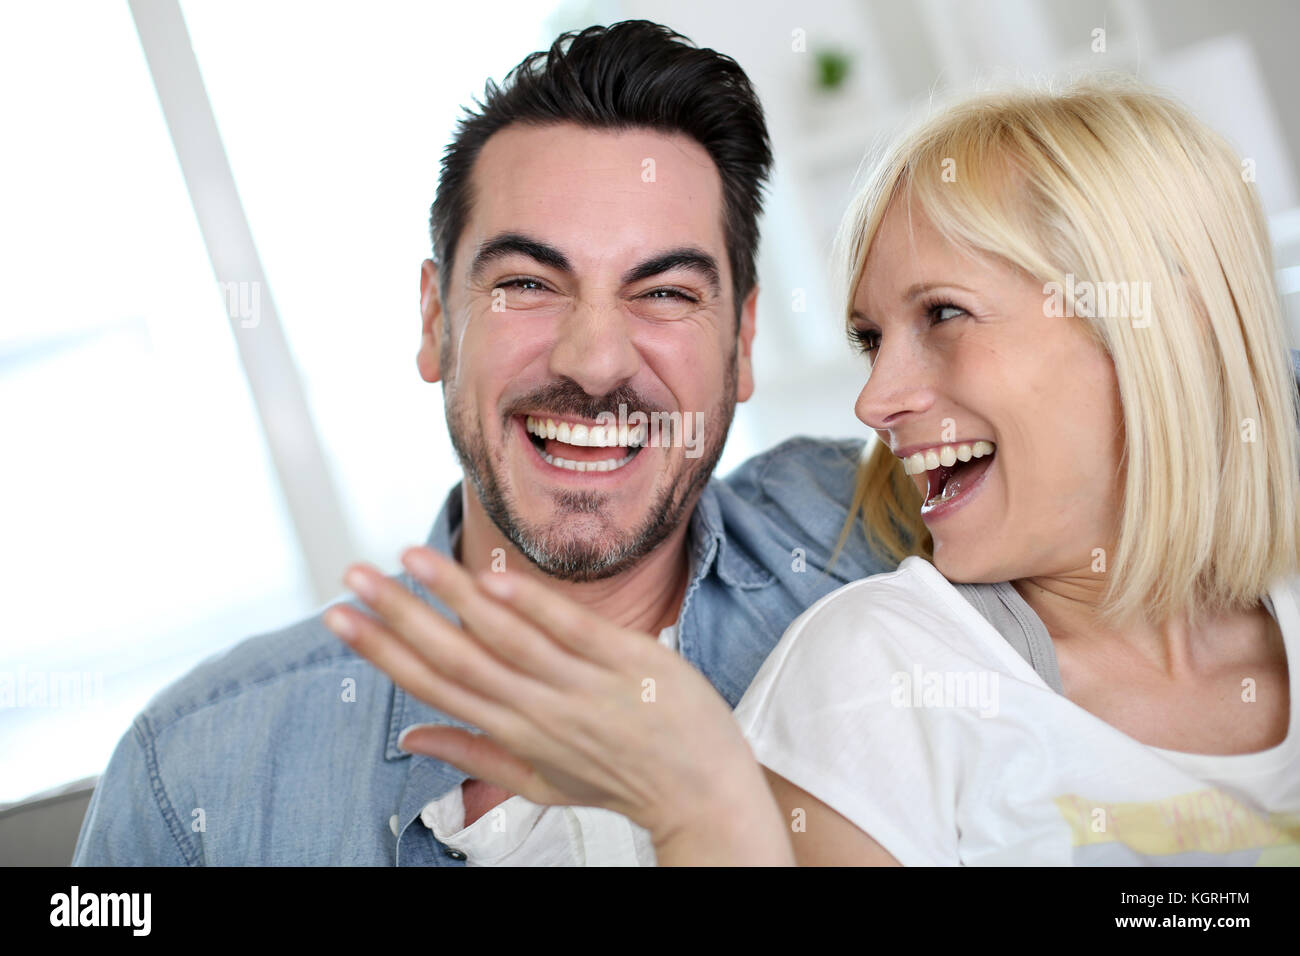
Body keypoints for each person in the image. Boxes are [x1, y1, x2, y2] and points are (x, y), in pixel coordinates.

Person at [339, 77, 1300, 865]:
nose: (873, 402)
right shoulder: (878, 667)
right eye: (872, 339)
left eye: (944, 316)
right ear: (436, 316)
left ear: (1154, 331)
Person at [71, 20, 891, 867]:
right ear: (435, 321)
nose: (595, 361)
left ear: (743, 340)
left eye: (666, 292)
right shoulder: (195, 778)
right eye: (528, 284)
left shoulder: (896, 538)